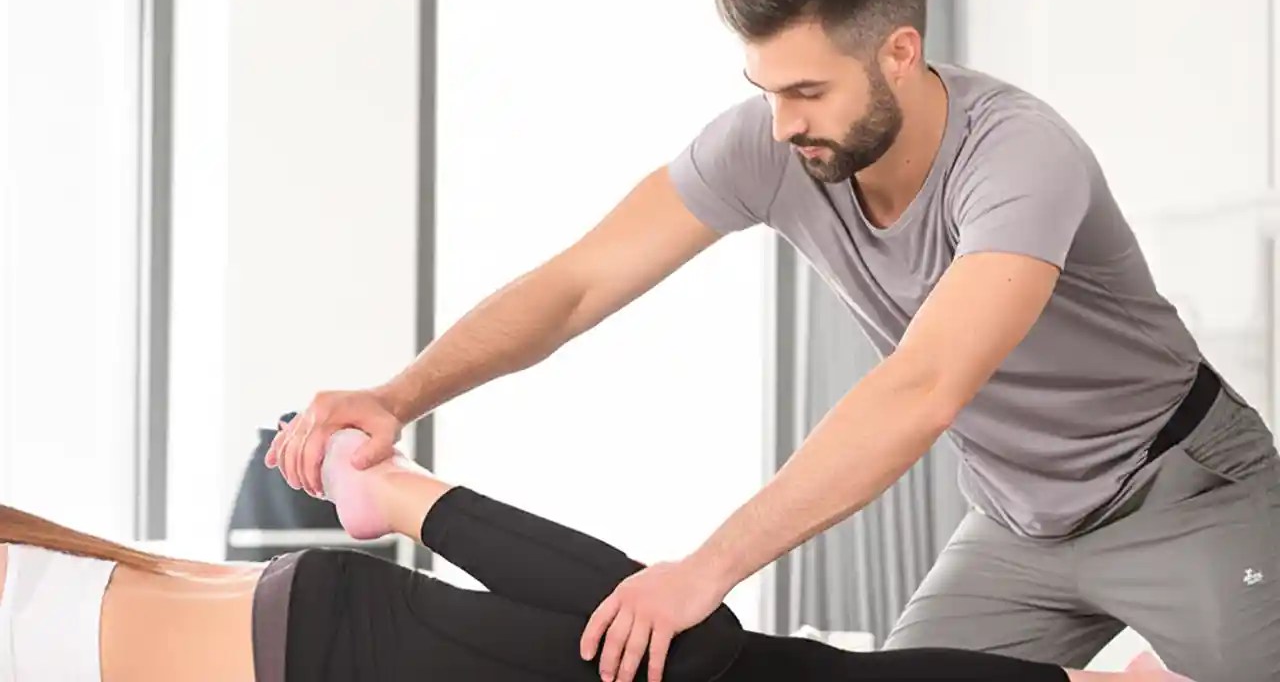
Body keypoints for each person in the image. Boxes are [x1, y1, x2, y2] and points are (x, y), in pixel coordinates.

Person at [267, 0, 1280, 681]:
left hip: (1180, 491)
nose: (783, 120)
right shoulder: (770, 144)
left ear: (899, 52)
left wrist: (701, 573)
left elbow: (924, 387)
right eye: (765, 90)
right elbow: (576, 284)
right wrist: (399, 394)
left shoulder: (1018, 157)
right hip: (1017, 519)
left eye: (807, 90)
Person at [0, 428, 1189, 682]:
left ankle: (401, 495)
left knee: (691, 652)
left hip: (335, 652)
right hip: (317, 625)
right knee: (753, 667)